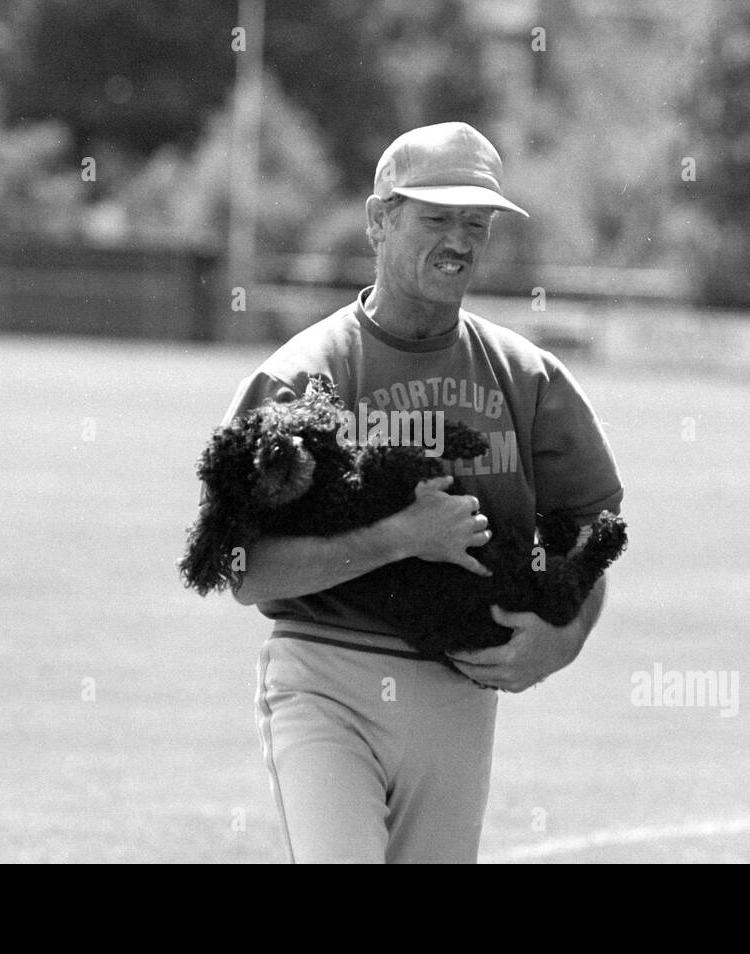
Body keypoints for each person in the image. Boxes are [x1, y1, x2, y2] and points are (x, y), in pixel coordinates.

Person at [223, 122, 624, 863]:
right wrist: (402, 536)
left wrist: (566, 639)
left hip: (460, 693)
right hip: (324, 681)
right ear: (379, 220)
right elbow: (245, 571)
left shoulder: (528, 380)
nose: (460, 240)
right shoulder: (304, 376)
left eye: (477, 223)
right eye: (436, 218)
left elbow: (592, 532)